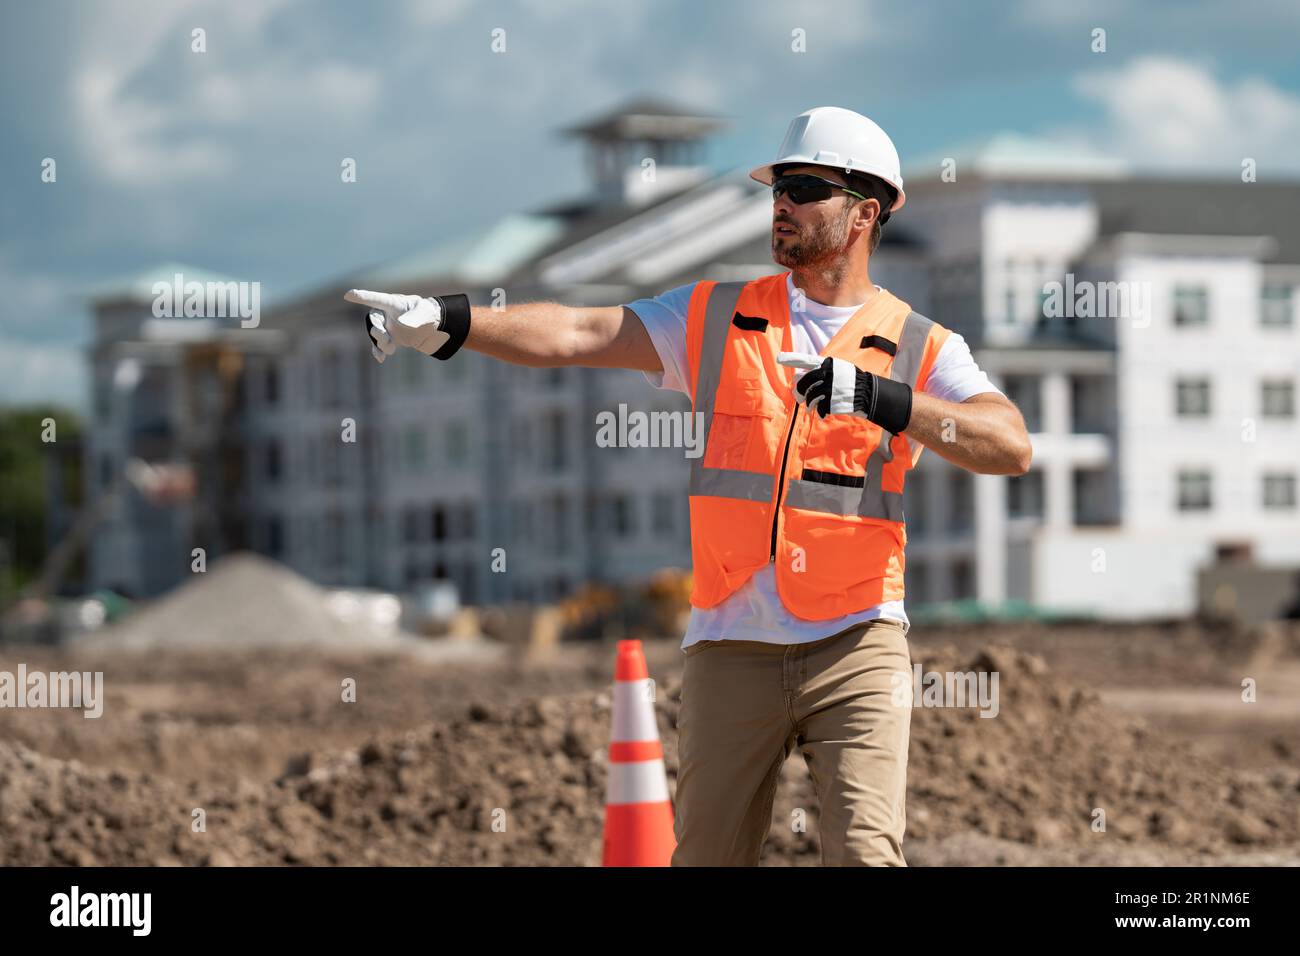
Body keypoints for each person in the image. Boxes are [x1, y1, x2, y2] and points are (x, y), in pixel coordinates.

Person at [345, 106, 1032, 866]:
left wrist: (885, 399)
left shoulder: (922, 344)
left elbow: (1008, 446)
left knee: (866, 855)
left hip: (857, 638)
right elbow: (577, 334)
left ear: (866, 213)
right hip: (730, 641)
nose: (782, 204)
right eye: (776, 188)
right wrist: (447, 322)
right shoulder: (716, 315)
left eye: (804, 188)